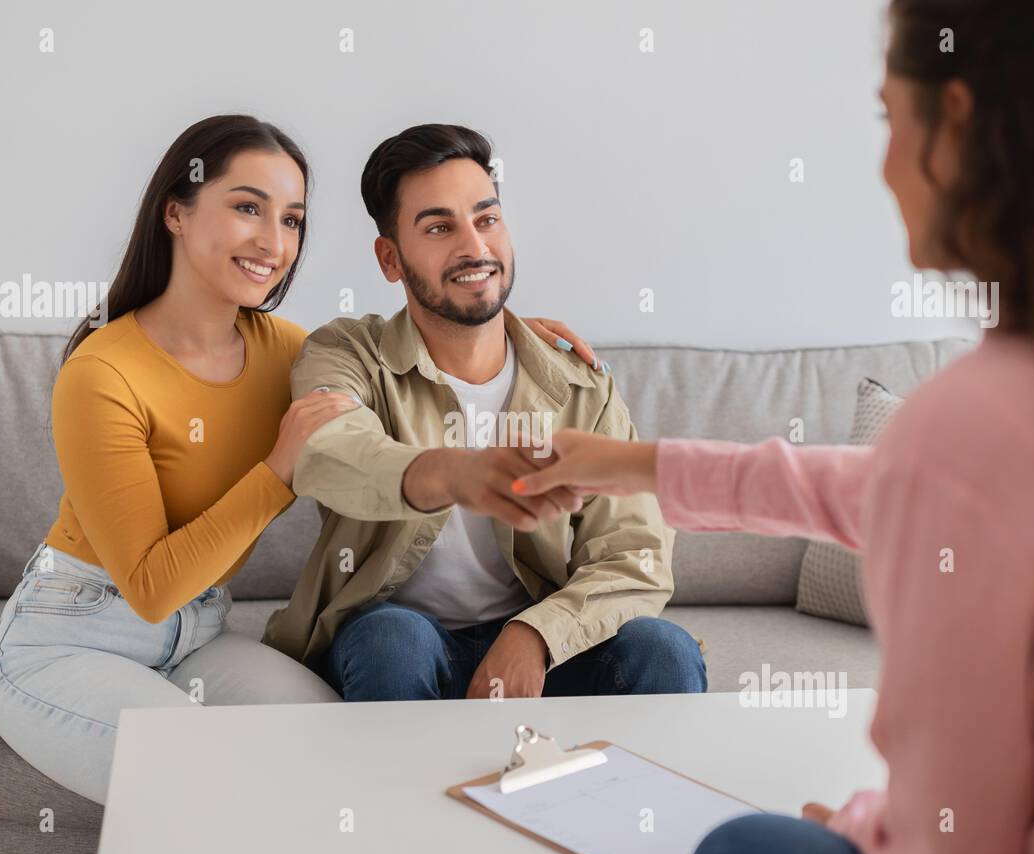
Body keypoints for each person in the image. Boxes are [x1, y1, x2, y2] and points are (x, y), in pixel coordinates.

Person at [511, 0, 1034, 854]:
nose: (883, 165)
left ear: (955, 123)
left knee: (748, 849)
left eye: (890, 117)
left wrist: (857, 831)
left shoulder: (982, 427)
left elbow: (959, 848)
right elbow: (879, 493)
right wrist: (631, 462)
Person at [0, 116, 598, 803]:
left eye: (293, 219)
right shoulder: (102, 371)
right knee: (209, 786)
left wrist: (502, 332)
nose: (274, 243)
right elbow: (152, 590)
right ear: (176, 213)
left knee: (343, 763)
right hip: (75, 635)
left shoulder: (286, 351)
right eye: (248, 207)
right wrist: (276, 473)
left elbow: (396, 349)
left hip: (201, 635)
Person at [264, 124, 705, 702]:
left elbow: (634, 556)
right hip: (398, 646)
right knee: (392, 638)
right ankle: (391, 794)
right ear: (390, 259)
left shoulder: (578, 383)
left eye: (487, 218)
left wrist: (535, 635)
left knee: (663, 650)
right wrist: (451, 472)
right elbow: (328, 448)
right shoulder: (346, 354)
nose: (474, 247)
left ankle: (649, 795)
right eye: (440, 227)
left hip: (540, 654)